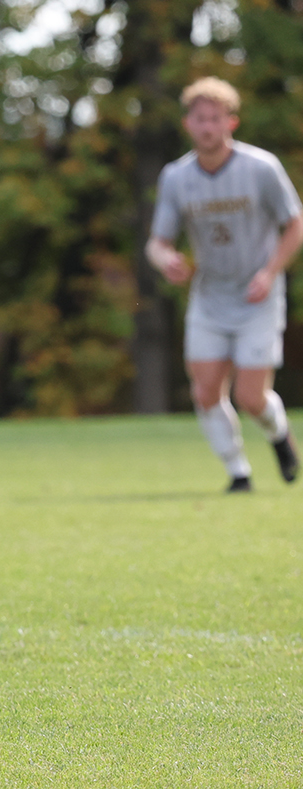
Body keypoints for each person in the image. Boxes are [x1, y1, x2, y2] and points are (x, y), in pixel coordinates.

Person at [146, 77, 303, 492]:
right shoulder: (176, 177)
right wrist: (167, 261)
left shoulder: (261, 168)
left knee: (252, 398)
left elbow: (295, 224)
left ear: (230, 122)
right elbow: (157, 243)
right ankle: (238, 472)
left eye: (216, 118)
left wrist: (270, 272)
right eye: (200, 119)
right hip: (210, 298)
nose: (208, 127)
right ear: (188, 124)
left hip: (258, 296)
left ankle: (279, 436)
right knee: (205, 392)